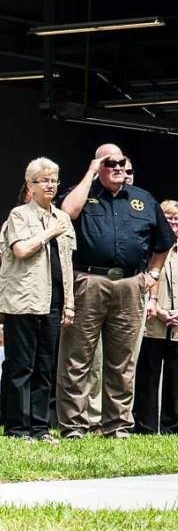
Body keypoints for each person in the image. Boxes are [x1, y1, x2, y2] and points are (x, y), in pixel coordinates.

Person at [57, 145, 174, 438]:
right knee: (77, 357)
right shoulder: (85, 193)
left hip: (130, 284)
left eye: (123, 162)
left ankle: (118, 426)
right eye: (111, 163)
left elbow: (164, 242)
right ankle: (74, 426)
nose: (119, 167)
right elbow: (66, 213)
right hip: (89, 280)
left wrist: (154, 273)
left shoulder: (143, 199)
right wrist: (90, 174)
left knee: (122, 361)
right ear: (98, 165)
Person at [0, 159, 76, 439]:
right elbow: (21, 250)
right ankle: (18, 429)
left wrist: (70, 303)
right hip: (23, 300)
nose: (50, 184)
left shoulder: (63, 218)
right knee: (21, 366)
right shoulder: (19, 215)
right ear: (30, 185)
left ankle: (41, 427)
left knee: (45, 367)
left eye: (54, 179)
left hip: (53, 302)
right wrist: (48, 233)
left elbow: (67, 264)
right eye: (43, 180)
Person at [133, 201, 178, 434]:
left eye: (177, 219)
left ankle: (171, 428)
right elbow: (143, 280)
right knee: (148, 378)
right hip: (153, 321)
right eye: (168, 218)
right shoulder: (147, 248)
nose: (173, 222)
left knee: (176, 380)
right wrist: (160, 311)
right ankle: (145, 427)